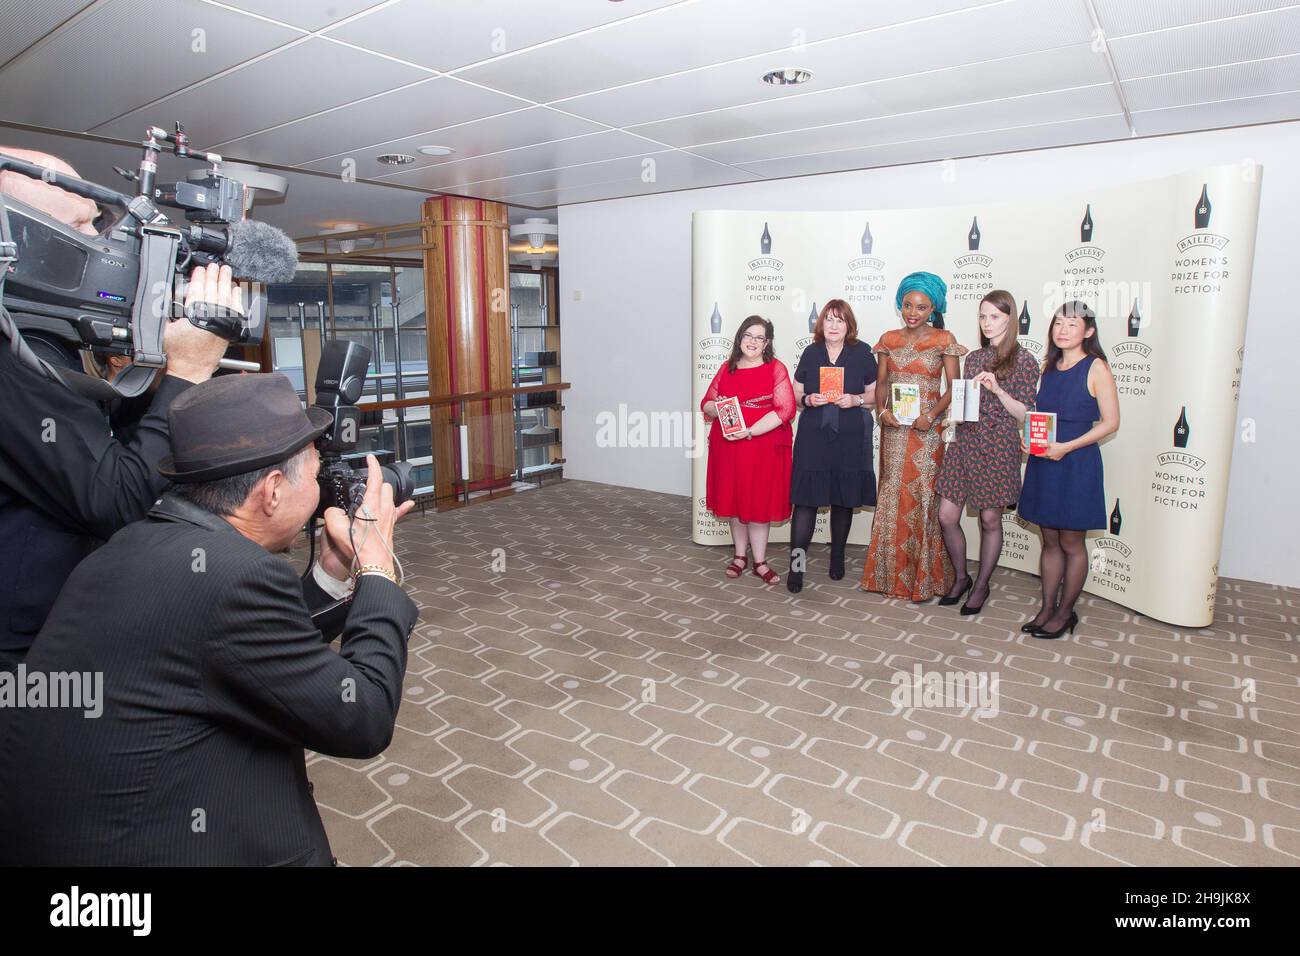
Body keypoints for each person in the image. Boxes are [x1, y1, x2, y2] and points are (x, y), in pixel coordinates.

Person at [0, 373, 419, 866]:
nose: (324, 482)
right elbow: (363, 717)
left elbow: (254, 652)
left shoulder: (131, 546)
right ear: (273, 491)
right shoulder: (230, 578)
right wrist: (376, 566)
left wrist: (329, 573)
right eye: (316, 469)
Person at [0, 147, 240, 673]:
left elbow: (102, 446)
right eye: (81, 225)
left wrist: (156, 377)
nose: (97, 239)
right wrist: (189, 372)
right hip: (24, 651)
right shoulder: (15, 358)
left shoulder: (42, 340)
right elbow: (117, 499)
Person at [861, 272, 966, 602]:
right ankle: (886, 576)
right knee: (892, 496)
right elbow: (881, 383)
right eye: (907, 305)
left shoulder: (943, 339)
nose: (913, 312)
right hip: (894, 431)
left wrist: (932, 415)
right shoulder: (888, 339)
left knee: (922, 499)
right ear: (899, 305)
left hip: (927, 433)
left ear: (933, 308)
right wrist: (882, 411)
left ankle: (924, 579)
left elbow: (956, 387)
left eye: (921, 307)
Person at [1016, 301, 1119, 639]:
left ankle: (1065, 612)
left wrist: (1067, 447)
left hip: (1076, 462)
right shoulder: (1048, 367)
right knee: (1049, 540)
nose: (1062, 330)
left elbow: (1111, 423)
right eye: (1058, 323)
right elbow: (1040, 416)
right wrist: (1029, 441)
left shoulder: (1096, 367)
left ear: (1088, 332)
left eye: (1071, 324)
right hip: (1045, 462)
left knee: (1072, 542)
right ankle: (1046, 607)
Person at [934, 290, 1040, 614]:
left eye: (995, 316)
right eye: (983, 316)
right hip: (965, 442)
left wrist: (998, 388)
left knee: (990, 519)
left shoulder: (1025, 360)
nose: (987, 323)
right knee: (946, 515)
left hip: (998, 447)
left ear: (1010, 319)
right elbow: (966, 402)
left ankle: (981, 586)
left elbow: (1026, 414)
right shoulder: (975, 358)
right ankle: (962, 577)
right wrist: (955, 415)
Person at [787, 299, 877, 593]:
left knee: (842, 498)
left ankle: (837, 556)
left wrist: (856, 400)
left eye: (840, 320)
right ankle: (796, 566)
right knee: (805, 502)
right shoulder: (811, 352)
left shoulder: (862, 352)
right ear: (821, 324)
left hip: (850, 436)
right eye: (829, 320)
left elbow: (875, 393)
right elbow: (798, 391)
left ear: (849, 325)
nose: (834, 325)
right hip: (814, 436)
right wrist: (807, 400)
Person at [701, 315, 796, 585]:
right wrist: (716, 406)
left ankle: (760, 562)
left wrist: (751, 431)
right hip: (729, 446)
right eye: (748, 335)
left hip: (762, 447)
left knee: (758, 502)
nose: (752, 341)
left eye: (759, 337)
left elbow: (786, 410)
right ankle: (740, 556)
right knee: (735, 501)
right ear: (739, 338)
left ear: (767, 343)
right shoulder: (726, 368)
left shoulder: (776, 368)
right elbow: (706, 403)